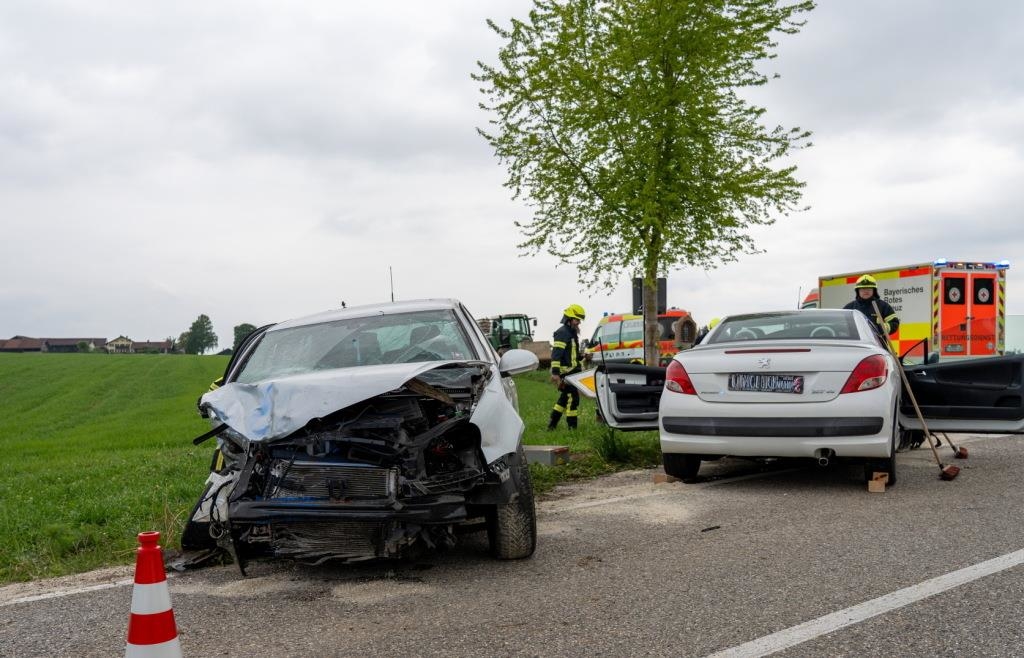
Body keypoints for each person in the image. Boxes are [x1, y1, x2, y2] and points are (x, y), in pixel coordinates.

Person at [548, 304, 585, 430]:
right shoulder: (562, 333)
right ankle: (572, 427)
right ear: (569, 319)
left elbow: (572, 355)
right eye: (576, 319)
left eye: (579, 320)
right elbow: (556, 355)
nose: (578, 323)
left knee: (563, 400)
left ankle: (552, 425)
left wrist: (583, 356)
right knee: (572, 399)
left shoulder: (572, 333)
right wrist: (555, 374)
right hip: (567, 373)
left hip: (574, 372)